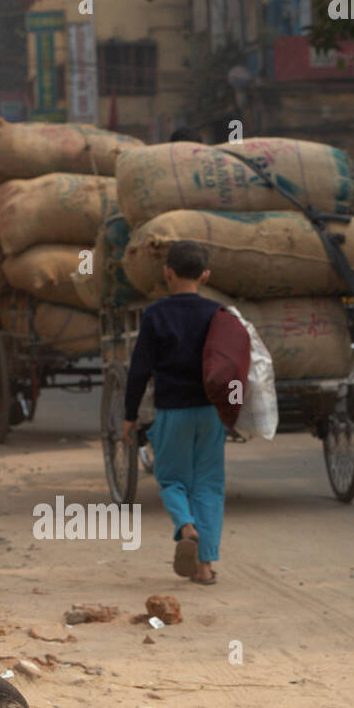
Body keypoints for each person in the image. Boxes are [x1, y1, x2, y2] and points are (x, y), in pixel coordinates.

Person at [122, 240, 225, 584]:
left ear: (167, 272)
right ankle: (206, 567)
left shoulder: (155, 315)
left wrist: (129, 414)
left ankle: (185, 527)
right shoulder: (217, 313)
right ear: (206, 275)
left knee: (171, 480)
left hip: (173, 412)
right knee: (208, 485)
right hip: (211, 412)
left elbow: (139, 370)